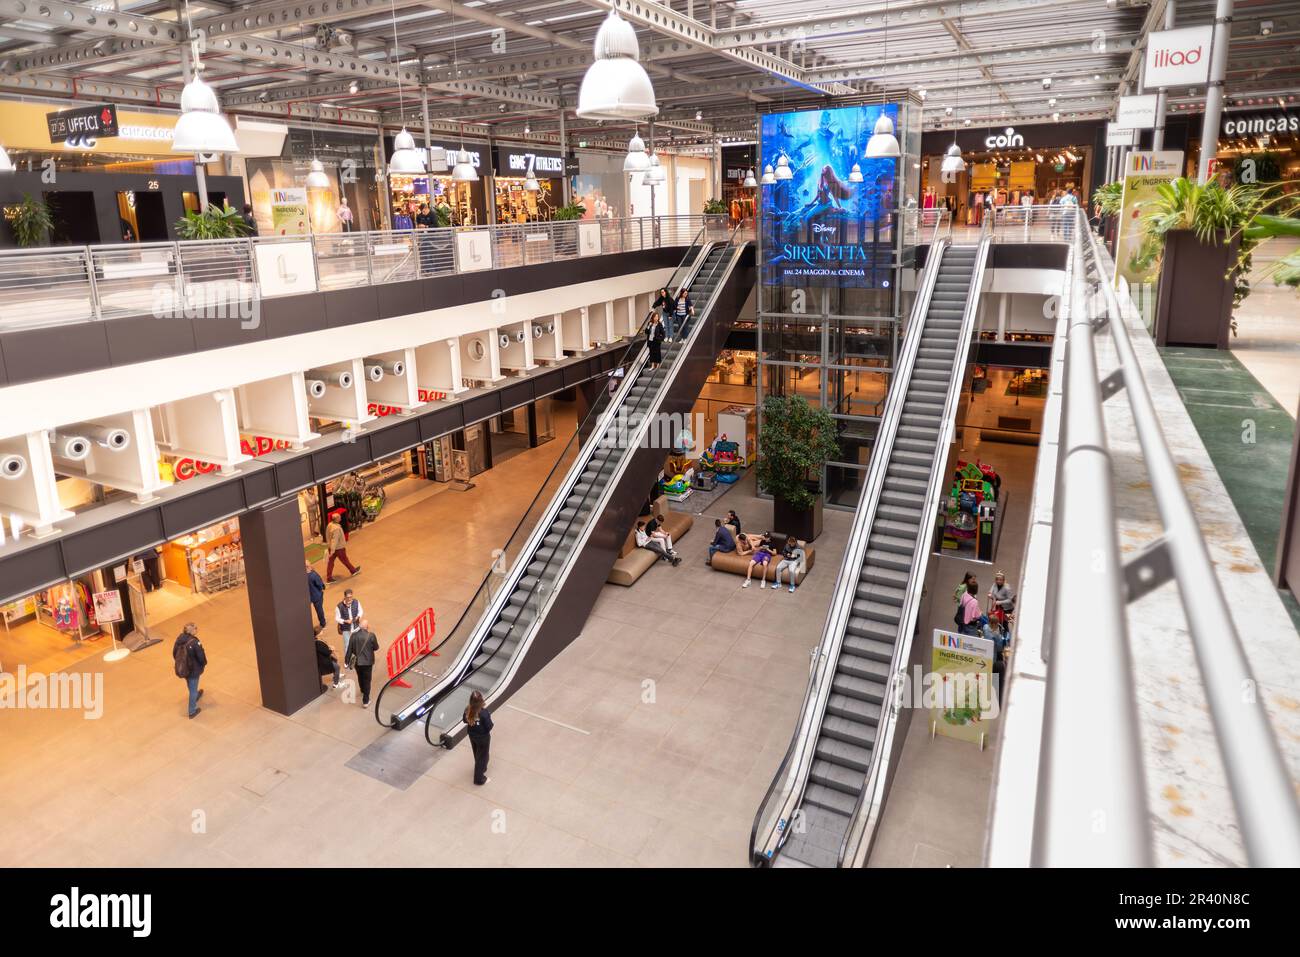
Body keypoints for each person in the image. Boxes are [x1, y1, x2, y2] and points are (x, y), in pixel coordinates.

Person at [172, 622, 207, 719]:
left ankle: (194, 694)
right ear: (191, 631)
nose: (197, 629)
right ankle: (192, 711)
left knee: (190, 684)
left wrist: (182, 663)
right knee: (193, 689)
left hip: (183, 668)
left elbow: (174, 653)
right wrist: (203, 664)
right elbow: (201, 657)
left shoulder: (179, 639)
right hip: (193, 670)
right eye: (195, 628)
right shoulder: (194, 642)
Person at [345, 618, 381, 707]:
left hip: (357, 662)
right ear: (367, 626)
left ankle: (362, 689)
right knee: (367, 680)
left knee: (360, 676)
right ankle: (366, 701)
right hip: (368, 662)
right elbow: (376, 647)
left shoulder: (353, 636)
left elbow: (349, 649)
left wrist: (346, 661)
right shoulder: (371, 635)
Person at [464, 689, 493, 785]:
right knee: (483, 757)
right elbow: (489, 726)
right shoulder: (484, 713)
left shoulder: (467, 710)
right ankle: (479, 779)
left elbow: (464, 720)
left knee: (477, 753)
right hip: (483, 738)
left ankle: (480, 767)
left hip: (472, 735)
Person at [325, 515, 360, 583]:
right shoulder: (336, 529)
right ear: (337, 519)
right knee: (345, 560)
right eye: (339, 517)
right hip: (338, 549)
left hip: (331, 547)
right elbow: (335, 540)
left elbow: (327, 535)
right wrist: (332, 550)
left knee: (330, 562)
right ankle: (353, 571)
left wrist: (330, 548)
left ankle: (329, 577)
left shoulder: (329, 525)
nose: (341, 518)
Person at [335, 588, 363, 664]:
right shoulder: (339, 606)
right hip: (346, 628)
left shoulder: (356, 602)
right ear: (345, 597)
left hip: (355, 626)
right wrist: (345, 621)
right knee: (347, 645)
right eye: (348, 597)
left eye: (351, 597)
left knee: (357, 641)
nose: (350, 598)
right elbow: (337, 618)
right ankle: (347, 661)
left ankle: (358, 658)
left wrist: (357, 617)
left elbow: (361, 611)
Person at [306, 561, 326, 632]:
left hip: (308, 597)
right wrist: (322, 588)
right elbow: (319, 584)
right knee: (319, 610)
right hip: (317, 596)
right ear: (308, 566)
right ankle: (323, 624)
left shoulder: (302, 575)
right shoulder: (313, 575)